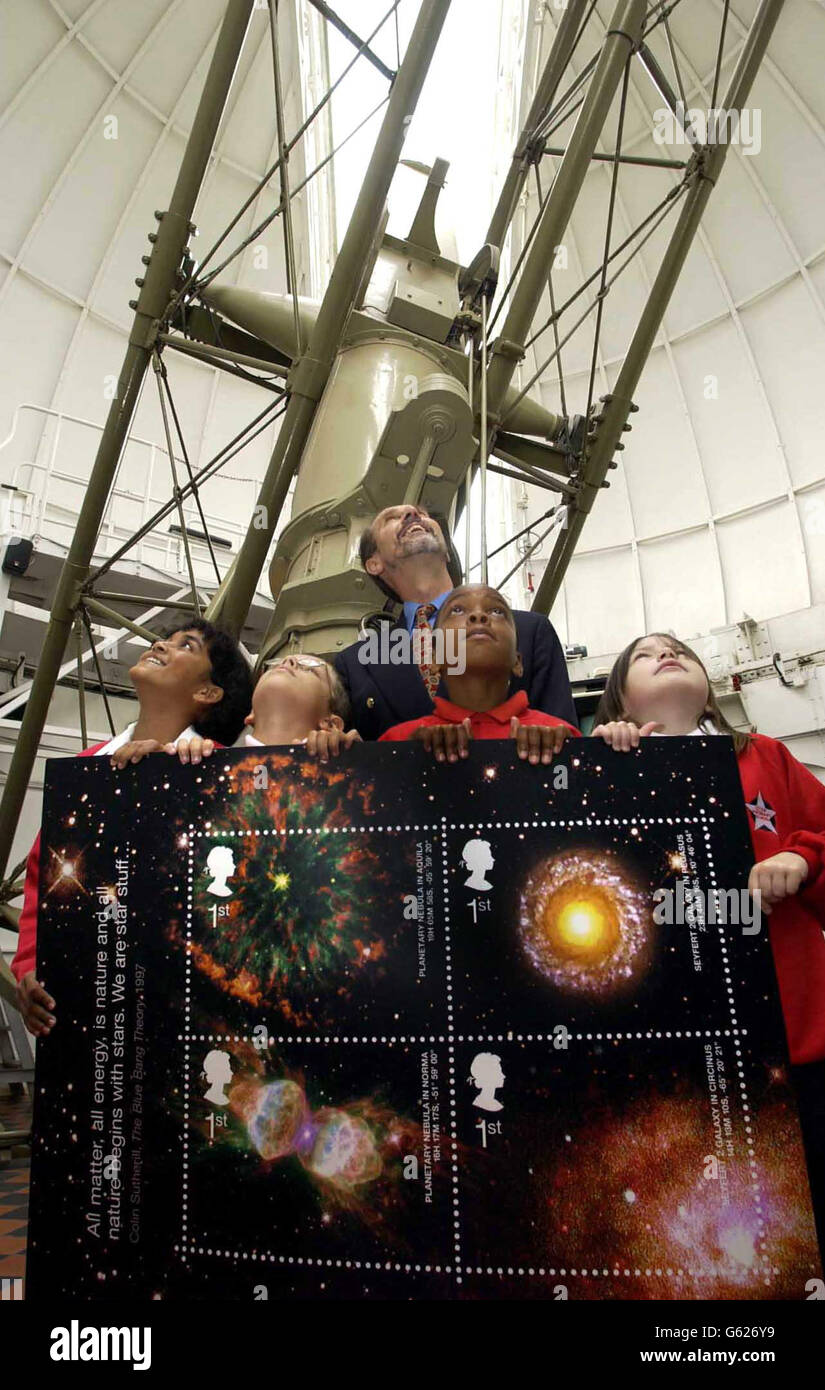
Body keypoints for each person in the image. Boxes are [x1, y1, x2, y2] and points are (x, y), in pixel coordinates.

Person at [592, 631, 825, 1249]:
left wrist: (802, 859)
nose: (667, 655)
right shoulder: (598, 771)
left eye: (679, 650)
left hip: (801, 1042)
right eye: (644, 654)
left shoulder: (766, 755)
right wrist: (590, 767)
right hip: (678, 1062)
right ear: (618, 701)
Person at [12, 619, 253, 1035]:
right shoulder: (83, 769)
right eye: (167, 638)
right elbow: (45, 877)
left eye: (186, 645)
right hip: (93, 1012)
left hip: (188, 1007)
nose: (160, 643)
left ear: (208, 692)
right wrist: (30, 966)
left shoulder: (225, 773)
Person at [335, 504, 577, 739]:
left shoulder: (530, 631)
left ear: (446, 551)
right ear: (374, 564)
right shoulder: (355, 664)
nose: (412, 514)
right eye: (391, 518)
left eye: (423, 514)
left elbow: (565, 745)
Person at [379, 584, 579, 761]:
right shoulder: (397, 741)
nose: (478, 616)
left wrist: (565, 756)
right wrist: (407, 756)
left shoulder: (561, 737)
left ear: (517, 662)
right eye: (457, 610)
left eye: (497, 611)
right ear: (434, 659)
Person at [161, 653, 360, 765]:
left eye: (309, 667)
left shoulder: (347, 767)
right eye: (274, 665)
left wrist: (360, 760)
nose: (287, 661)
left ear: (331, 724)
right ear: (250, 714)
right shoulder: (201, 758)